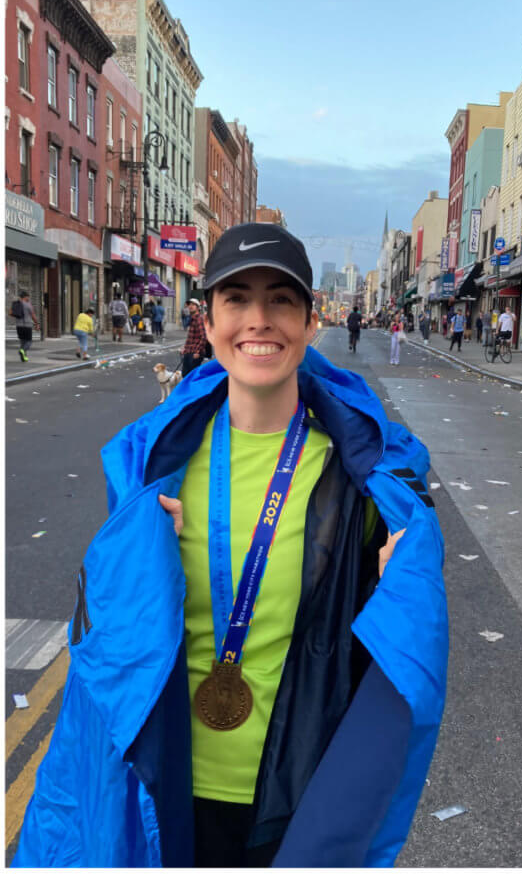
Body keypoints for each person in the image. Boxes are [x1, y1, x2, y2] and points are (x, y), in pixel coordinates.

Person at [14, 223, 447, 866]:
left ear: (308, 321)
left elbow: (391, 648)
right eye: (237, 298)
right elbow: (112, 641)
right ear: (210, 320)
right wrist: (140, 557)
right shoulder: (157, 465)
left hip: (294, 786)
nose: (258, 319)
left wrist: (393, 581)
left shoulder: (361, 482)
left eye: (280, 299)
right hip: (165, 784)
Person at [181, 300, 210, 376]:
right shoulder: (192, 319)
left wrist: (197, 351)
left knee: (191, 376)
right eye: (189, 305)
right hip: (189, 351)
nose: (190, 306)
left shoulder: (199, 319)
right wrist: (185, 348)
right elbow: (191, 337)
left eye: (193, 305)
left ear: (198, 308)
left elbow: (204, 336)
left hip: (195, 352)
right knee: (185, 375)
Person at [12, 290, 37, 362]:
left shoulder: (16, 303)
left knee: (22, 341)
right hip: (27, 325)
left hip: (18, 326)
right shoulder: (28, 304)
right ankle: (22, 350)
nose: (29, 298)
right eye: (28, 296)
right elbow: (33, 315)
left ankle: (24, 357)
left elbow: (11, 313)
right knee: (29, 341)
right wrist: (37, 323)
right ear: (25, 297)